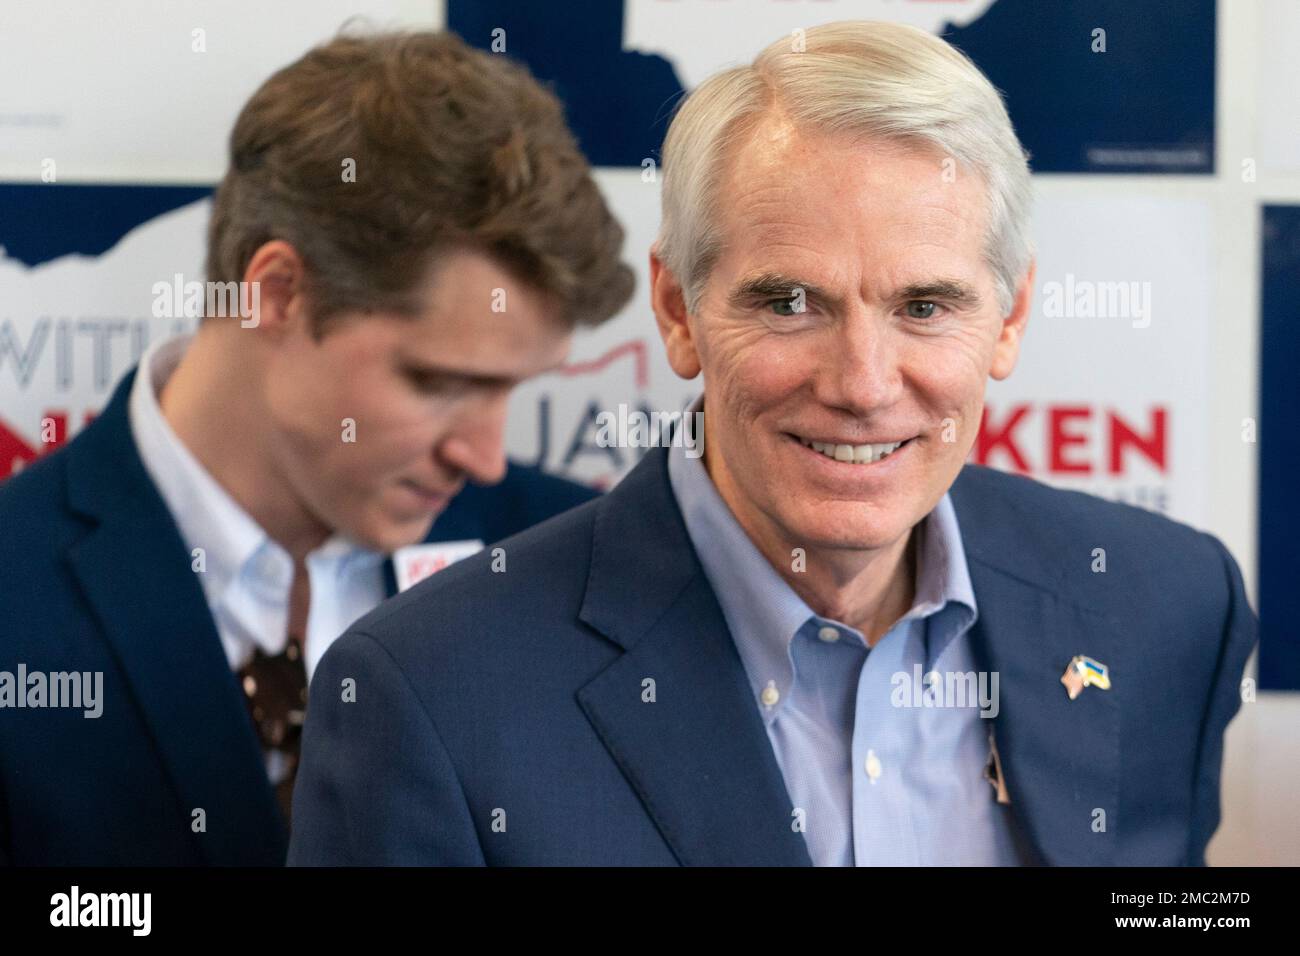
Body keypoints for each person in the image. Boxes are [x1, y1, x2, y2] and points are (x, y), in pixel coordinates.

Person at [288, 21, 1256, 866]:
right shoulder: (431, 690)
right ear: (677, 308)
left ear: (1009, 319)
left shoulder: (1166, 605)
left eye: (924, 306)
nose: (863, 384)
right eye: (789, 302)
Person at [0, 29, 633, 865]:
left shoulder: (583, 569)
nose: (484, 455)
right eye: (440, 382)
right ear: (276, 293)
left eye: (515, 389)